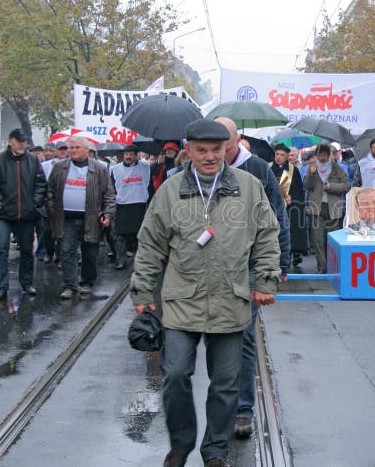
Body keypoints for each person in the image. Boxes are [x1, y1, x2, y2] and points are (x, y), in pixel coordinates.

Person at [130, 119, 280, 467]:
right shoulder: (171, 189)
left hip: (232, 299)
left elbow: (267, 237)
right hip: (181, 299)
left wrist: (265, 282)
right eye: (202, 151)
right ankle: (181, 445)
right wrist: (142, 291)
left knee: (226, 383)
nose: (210, 157)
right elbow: (150, 243)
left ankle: (215, 450)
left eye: (217, 149)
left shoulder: (249, 186)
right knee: (176, 373)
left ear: (227, 149)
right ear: (190, 151)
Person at [214, 117, 290, 440]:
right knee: (217, 336)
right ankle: (223, 402)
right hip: (212, 266)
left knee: (243, 335)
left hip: (248, 264)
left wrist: (280, 265)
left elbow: (278, 218)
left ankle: (243, 409)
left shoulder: (258, 169)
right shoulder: (204, 167)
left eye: (225, 146)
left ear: (238, 141)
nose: (219, 153)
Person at [47, 136, 116, 299]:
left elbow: (109, 194)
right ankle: (70, 285)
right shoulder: (59, 167)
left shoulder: (99, 169)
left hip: (91, 218)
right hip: (66, 219)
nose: (73, 150)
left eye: (77, 147)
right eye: (71, 147)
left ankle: (86, 283)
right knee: (67, 251)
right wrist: (51, 209)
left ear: (87, 150)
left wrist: (108, 214)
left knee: (90, 253)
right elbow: (49, 191)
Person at [0, 128, 47, 301]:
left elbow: (41, 184)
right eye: (18, 141)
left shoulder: (33, 160)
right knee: (2, 250)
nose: (22, 144)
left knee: (27, 251)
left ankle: (27, 283)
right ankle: (1, 287)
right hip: (4, 214)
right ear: (9, 141)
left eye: (24, 141)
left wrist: (34, 202)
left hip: (26, 214)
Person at [304, 143, 351, 273]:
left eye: (324, 155)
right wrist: (312, 174)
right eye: (320, 155)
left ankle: (332, 264)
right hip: (316, 208)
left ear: (329, 155)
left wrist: (332, 187)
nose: (322, 158)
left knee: (332, 238)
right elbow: (307, 186)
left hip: (333, 208)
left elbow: (346, 186)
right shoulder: (312, 167)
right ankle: (322, 265)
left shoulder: (338, 168)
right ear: (316, 155)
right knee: (317, 238)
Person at [110, 145, 150, 270]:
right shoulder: (115, 169)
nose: (128, 156)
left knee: (140, 235)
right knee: (121, 235)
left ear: (136, 155)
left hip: (140, 205)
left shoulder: (146, 167)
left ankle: (139, 262)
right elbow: (111, 188)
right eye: (126, 154)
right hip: (122, 205)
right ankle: (121, 260)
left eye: (131, 154)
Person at [272, 144, 307, 267]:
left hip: (290, 207)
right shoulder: (269, 168)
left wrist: (291, 197)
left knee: (290, 232)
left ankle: (291, 255)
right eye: (277, 154)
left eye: (282, 155)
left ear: (287, 156)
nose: (279, 157)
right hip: (273, 206)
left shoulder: (293, 170)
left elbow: (297, 190)